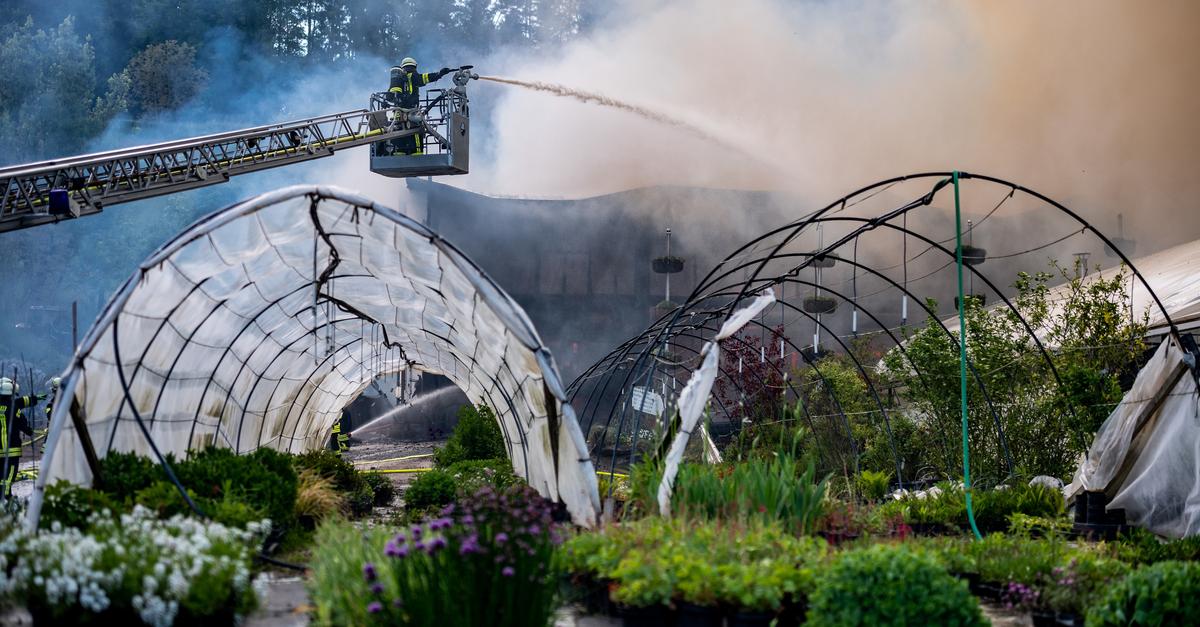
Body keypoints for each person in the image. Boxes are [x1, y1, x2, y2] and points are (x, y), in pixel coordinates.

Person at [387, 58, 454, 155]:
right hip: (411, 113)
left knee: (399, 135)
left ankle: (399, 155)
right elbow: (425, 78)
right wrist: (439, 74)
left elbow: (390, 96)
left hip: (397, 114)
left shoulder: (398, 79)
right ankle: (417, 155)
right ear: (414, 66)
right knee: (415, 133)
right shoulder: (412, 75)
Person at [0, 378, 40, 498]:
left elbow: (21, 401)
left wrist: (34, 399)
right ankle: (6, 499)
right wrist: (30, 431)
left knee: (1, 476)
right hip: (11, 449)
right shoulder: (13, 407)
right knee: (9, 476)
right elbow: (21, 423)